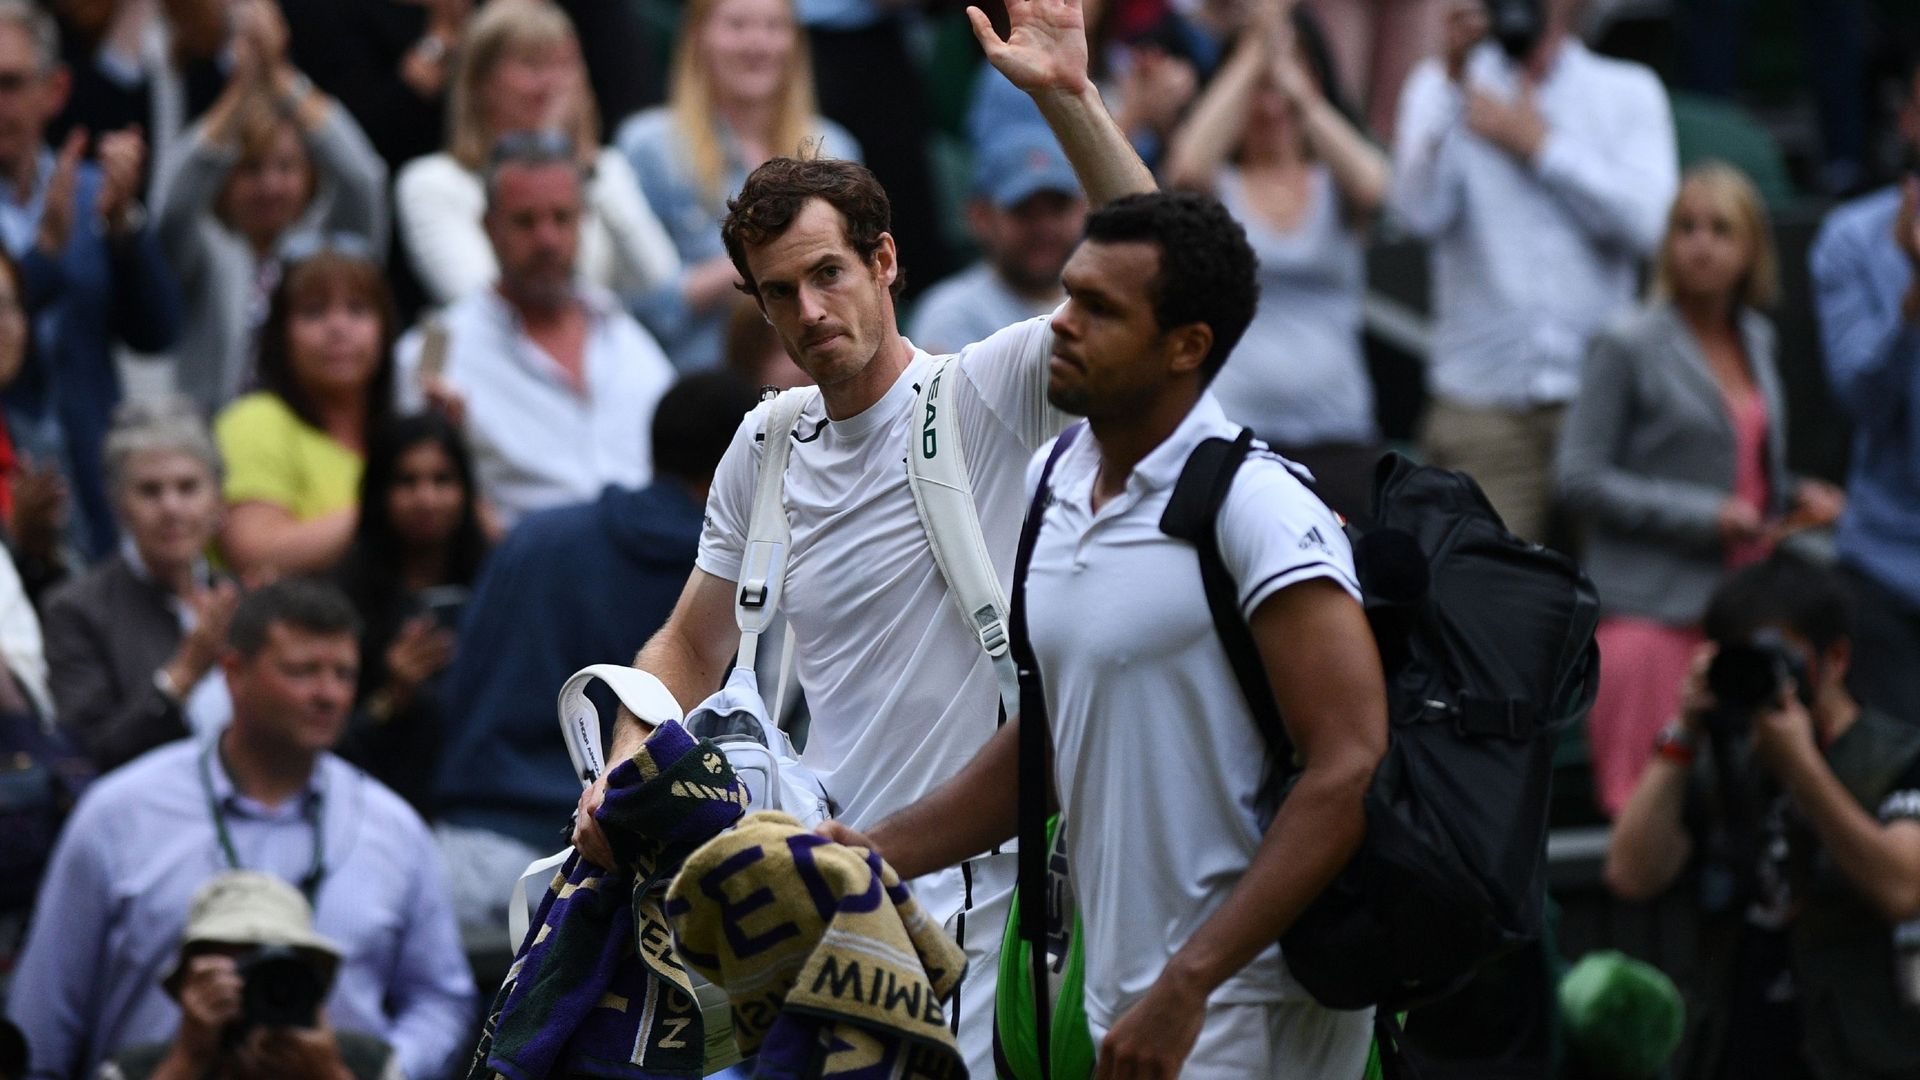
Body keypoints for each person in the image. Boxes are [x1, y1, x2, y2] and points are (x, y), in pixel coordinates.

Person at [569, 0, 1157, 1069]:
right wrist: (624, 764)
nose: (807, 311)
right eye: (779, 292)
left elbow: (1158, 258)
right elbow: (689, 646)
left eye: (828, 272)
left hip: (990, 909)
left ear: (885, 260)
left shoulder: (981, 392)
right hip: (819, 905)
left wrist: (1069, 96)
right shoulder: (767, 438)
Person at [822, 190, 1386, 1078]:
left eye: (1101, 310)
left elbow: (1350, 765)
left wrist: (1192, 981)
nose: (1065, 325)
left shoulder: (1261, 507)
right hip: (1120, 1001)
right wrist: (876, 850)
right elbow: (1050, 743)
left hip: (1252, 1004)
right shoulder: (1051, 482)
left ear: (1186, 347)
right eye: (1070, 295)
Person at [5, 579, 476, 1080]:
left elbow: (442, 1001)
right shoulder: (119, 815)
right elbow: (43, 1021)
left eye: (344, 674)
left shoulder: (394, 828)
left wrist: (377, 1071)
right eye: (302, 671)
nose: (329, 694)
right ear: (233, 673)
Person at [1559, 163, 1845, 817]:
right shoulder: (1626, 342)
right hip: (1652, 617)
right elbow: (1577, 477)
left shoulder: (1759, 338)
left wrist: (1798, 494)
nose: (1701, 244)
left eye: (1721, 230)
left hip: (1744, 616)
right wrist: (1704, 515)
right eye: (1686, 228)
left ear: (1751, 250)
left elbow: (1743, 469)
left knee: (1742, 816)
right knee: (1644, 815)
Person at [432, 372, 756, 944]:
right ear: (746, 466)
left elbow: (455, 695)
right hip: (632, 884)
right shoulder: (744, 584)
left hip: (471, 860)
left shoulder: (534, 538)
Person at [1604, 553, 1920, 1079]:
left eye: (1778, 659)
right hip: (1733, 1046)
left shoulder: (1897, 758)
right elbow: (1631, 873)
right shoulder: (1724, 761)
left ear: (1835, 659)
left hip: (1865, 1055)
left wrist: (1801, 766)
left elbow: (1904, 888)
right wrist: (1683, 731)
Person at [1389, 0, 1676, 542]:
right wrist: (1454, 81)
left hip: (1601, 406)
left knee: (1609, 609)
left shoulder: (1627, 89)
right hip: (1483, 406)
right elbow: (1416, 215)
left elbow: (1651, 226)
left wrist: (1541, 148)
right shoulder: (1438, 85)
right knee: (1485, 606)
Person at [1166, 0, 1388, 521]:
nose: (1271, 104)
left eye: (1282, 86)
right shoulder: (1218, 188)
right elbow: (1185, 166)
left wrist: (1296, 84)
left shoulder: (1336, 185)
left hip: (1340, 435)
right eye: (1257, 89)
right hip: (1234, 434)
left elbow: (1376, 185)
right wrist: (1256, 48)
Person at [394, 137, 676, 531]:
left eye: (562, 218)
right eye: (526, 221)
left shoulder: (628, 338)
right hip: (517, 573)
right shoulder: (435, 355)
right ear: (489, 228)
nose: (547, 240)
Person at [0, 0, 181, 560]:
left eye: (9, 83)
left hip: (97, 477)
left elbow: (157, 332)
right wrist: (45, 259)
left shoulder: (91, 190)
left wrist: (124, 227)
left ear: (54, 91)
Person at [154, 0, 389, 416]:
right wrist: (240, 90)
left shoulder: (327, 248)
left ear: (310, 177)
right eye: (251, 168)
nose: (271, 185)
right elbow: (174, 203)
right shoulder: (204, 253)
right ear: (225, 181)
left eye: (287, 167)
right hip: (217, 451)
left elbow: (362, 179)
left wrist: (281, 76)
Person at [616, 0, 860, 373]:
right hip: (697, 378)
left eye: (773, 26)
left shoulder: (834, 149)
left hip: (815, 375)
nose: (757, 43)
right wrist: (760, 254)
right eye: (737, 25)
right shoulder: (650, 146)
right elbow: (641, 303)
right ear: (698, 37)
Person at [393, 0, 677, 307]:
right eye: (532, 65)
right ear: (480, 81)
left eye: (564, 64)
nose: (551, 84)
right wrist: (548, 146)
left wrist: (582, 168)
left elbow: (660, 280)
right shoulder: (432, 183)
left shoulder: (603, 170)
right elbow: (485, 303)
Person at [1806, 53, 1920, 724]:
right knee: (1903, 807)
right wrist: (1910, 306)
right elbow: (1860, 403)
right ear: (1907, 119)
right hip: (1884, 566)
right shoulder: (1850, 239)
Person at [42, 397, 235, 773]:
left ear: (217, 498)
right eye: (150, 491)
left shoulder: (242, 598)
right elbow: (90, 756)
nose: (171, 508)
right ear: (117, 504)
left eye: (188, 487)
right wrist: (181, 677)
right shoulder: (77, 610)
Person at [96, 872, 403, 1080]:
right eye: (235, 971)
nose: (252, 989)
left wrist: (329, 1072)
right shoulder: (133, 1069)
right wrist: (187, 1061)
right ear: (191, 982)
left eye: (270, 969)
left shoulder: (368, 1064)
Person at [333, 411, 487, 817]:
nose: (427, 498)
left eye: (443, 480)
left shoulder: (495, 584)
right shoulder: (343, 599)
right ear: (379, 493)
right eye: (407, 481)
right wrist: (391, 697)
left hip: (480, 799)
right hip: (377, 803)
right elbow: (329, 744)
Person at [214, 246, 396, 580]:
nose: (338, 327)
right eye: (314, 312)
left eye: (358, 309)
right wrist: (389, 508)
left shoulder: (399, 428)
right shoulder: (255, 421)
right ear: (280, 335)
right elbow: (255, 553)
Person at [908, 127, 1084, 356]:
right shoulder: (952, 313)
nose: (1044, 227)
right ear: (981, 217)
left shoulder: (1104, 297)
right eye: (1025, 211)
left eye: (1058, 208)